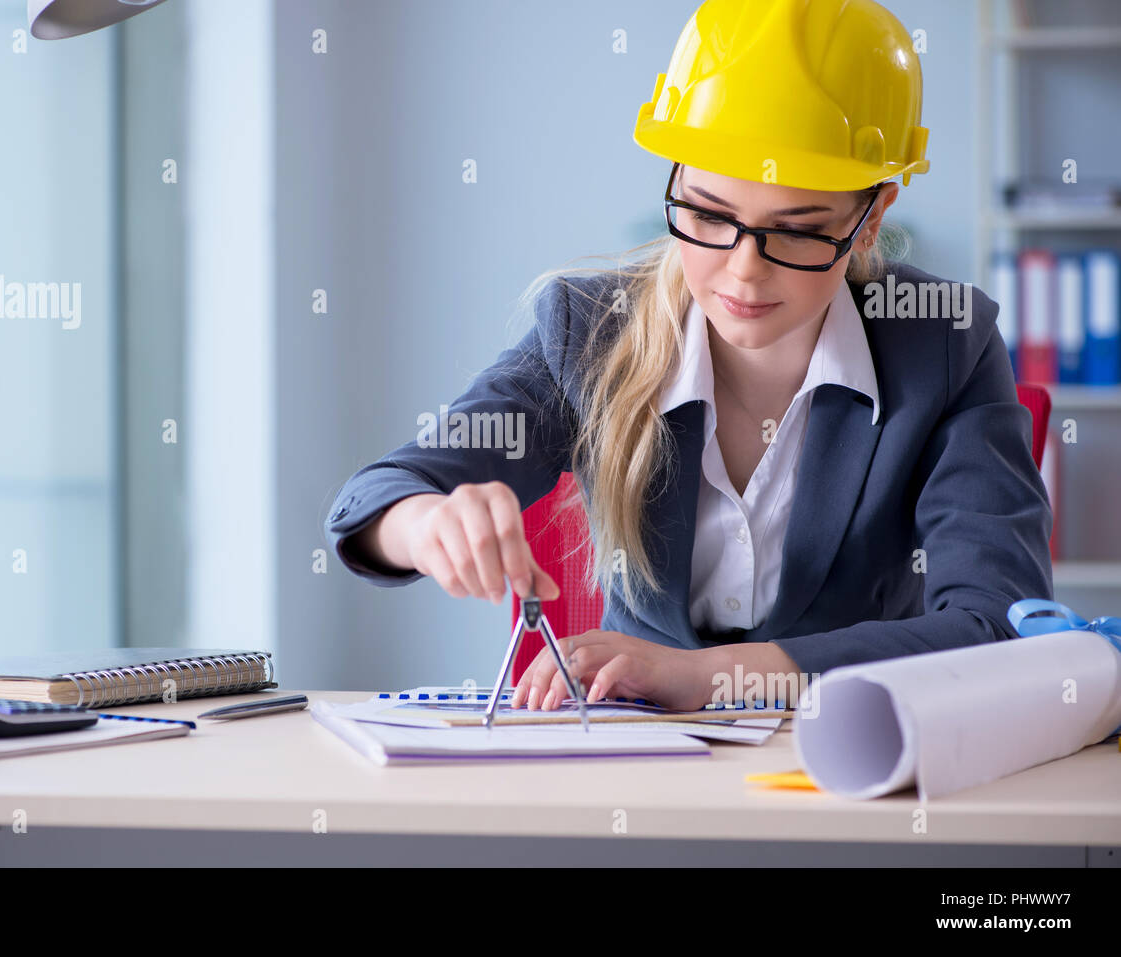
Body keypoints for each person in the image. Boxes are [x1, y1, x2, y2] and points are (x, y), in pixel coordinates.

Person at [322, 0, 1052, 713]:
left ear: (872, 219)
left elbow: (999, 623)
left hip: (857, 765)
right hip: (638, 780)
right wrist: (423, 524)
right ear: (675, 179)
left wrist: (712, 675)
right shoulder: (590, 331)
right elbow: (377, 494)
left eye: (796, 231)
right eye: (707, 214)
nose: (742, 272)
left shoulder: (945, 343)